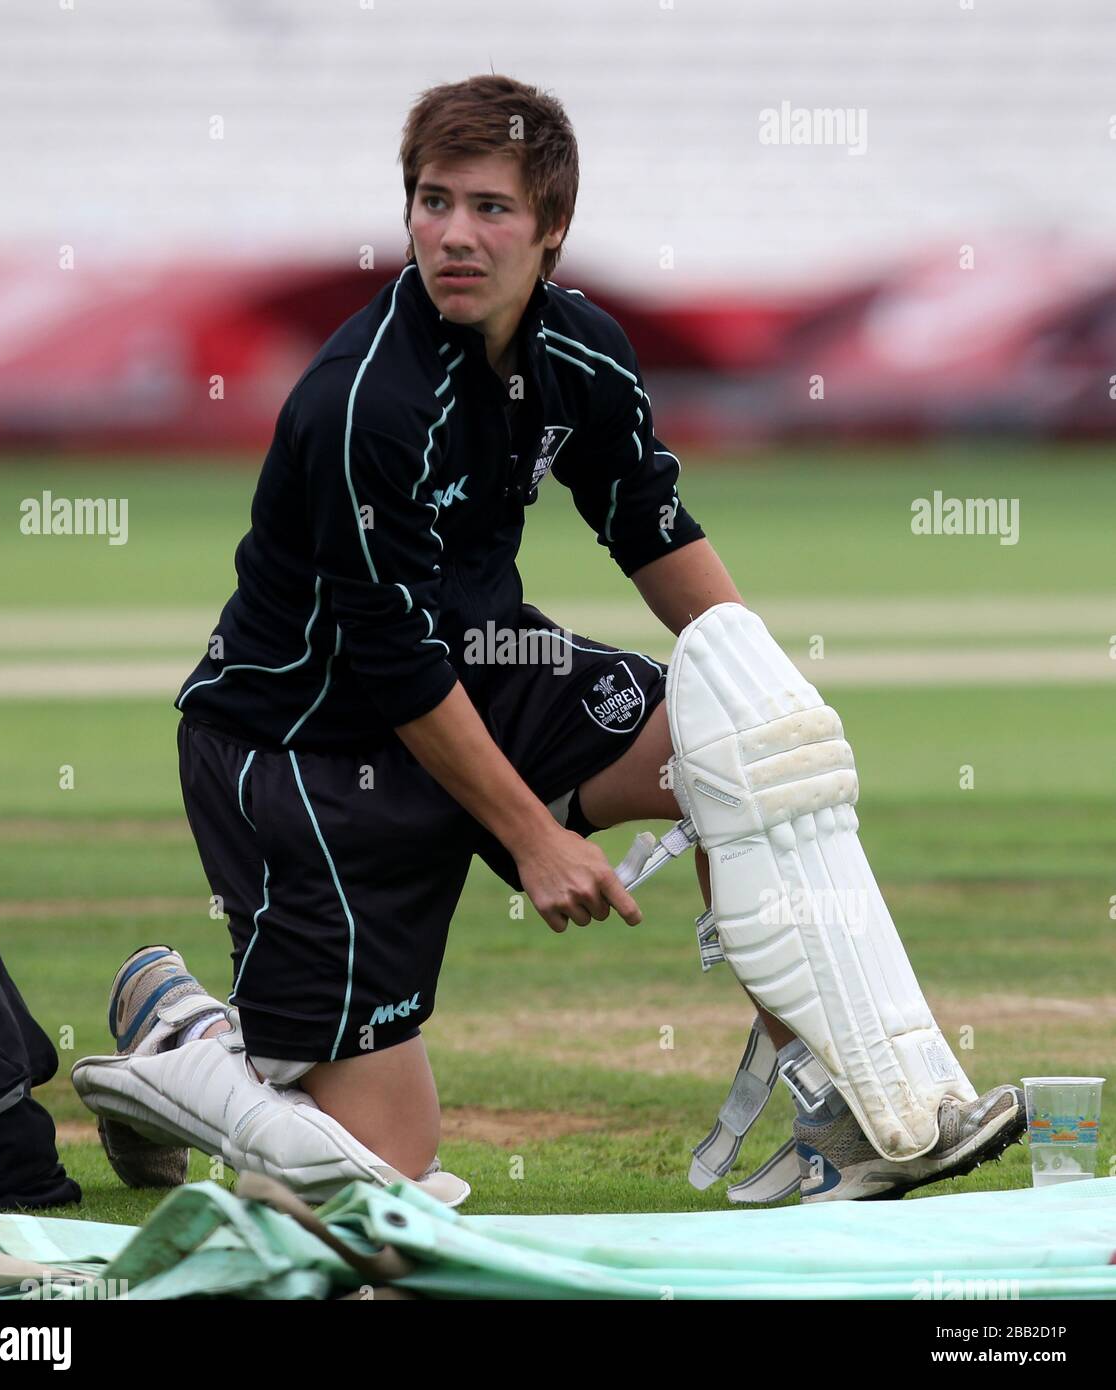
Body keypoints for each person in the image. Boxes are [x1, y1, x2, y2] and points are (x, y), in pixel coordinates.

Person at [83, 74, 1023, 1206]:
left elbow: (648, 520)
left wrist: (764, 695)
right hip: (306, 750)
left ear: (552, 231)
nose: (454, 235)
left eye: (490, 208)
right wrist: (534, 839)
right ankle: (182, 1035)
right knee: (381, 1186)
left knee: (743, 746)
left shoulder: (578, 350)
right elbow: (389, 662)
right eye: (432, 203)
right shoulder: (361, 402)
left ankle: (846, 1104)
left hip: (485, 674)